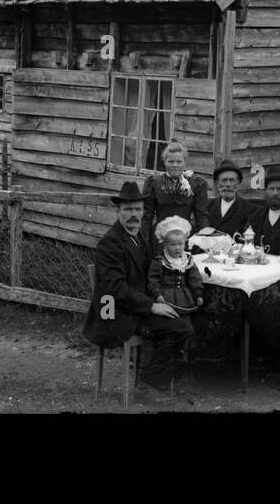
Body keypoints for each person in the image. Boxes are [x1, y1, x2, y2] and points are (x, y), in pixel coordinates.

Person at [82, 181, 194, 396]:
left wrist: (158, 296)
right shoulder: (110, 243)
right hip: (115, 314)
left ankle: (152, 376)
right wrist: (152, 307)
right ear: (119, 211)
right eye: (128, 209)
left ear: (144, 212)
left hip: (135, 306)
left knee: (186, 320)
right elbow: (116, 289)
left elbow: (146, 275)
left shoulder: (139, 235)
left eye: (137, 209)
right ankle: (149, 378)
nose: (133, 214)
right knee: (181, 329)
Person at [141, 141, 209, 244]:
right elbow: (146, 216)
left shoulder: (196, 184)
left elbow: (201, 217)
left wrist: (204, 241)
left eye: (179, 161)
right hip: (160, 237)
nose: (175, 165)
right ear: (164, 162)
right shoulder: (155, 183)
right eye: (171, 161)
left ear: (185, 162)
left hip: (185, 236)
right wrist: (144, 241)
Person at [147, 217, 205, 315]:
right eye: (172, 245)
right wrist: (157, 294)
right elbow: (153, 279)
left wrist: (198, 293)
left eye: (180, 244)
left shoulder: (187, 260)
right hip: (166, 296)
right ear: (165, 244)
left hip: (185, 297)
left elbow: (194, 278)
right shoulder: (160, 261)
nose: (177, 248)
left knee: (186, 319)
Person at [199, 160, 251, 237]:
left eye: (232, 180)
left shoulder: (248, 210)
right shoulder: (207, 207)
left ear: (238, 184)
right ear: (217, 183)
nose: (228, 184)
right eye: (224, 180)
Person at [249, 171, 280, 256]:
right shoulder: (256, 216)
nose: (275, 193)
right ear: (265, 191)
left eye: (279, 189)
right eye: (271, 189)